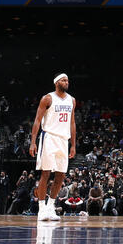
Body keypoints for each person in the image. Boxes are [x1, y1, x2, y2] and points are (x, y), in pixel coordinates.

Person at [29, 73, 76, 222]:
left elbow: (72, 123)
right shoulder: (48, 98)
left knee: (61, 175)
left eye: (67, 80)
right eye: (63, 80)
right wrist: (33, 142)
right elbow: (37, 120)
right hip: (49, 137)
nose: (66, 82)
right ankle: (42, 209)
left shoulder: (72, 100)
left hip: (63, 140)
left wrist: (73, 144)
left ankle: (50, 207)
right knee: (46, 173)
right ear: (56, 82)